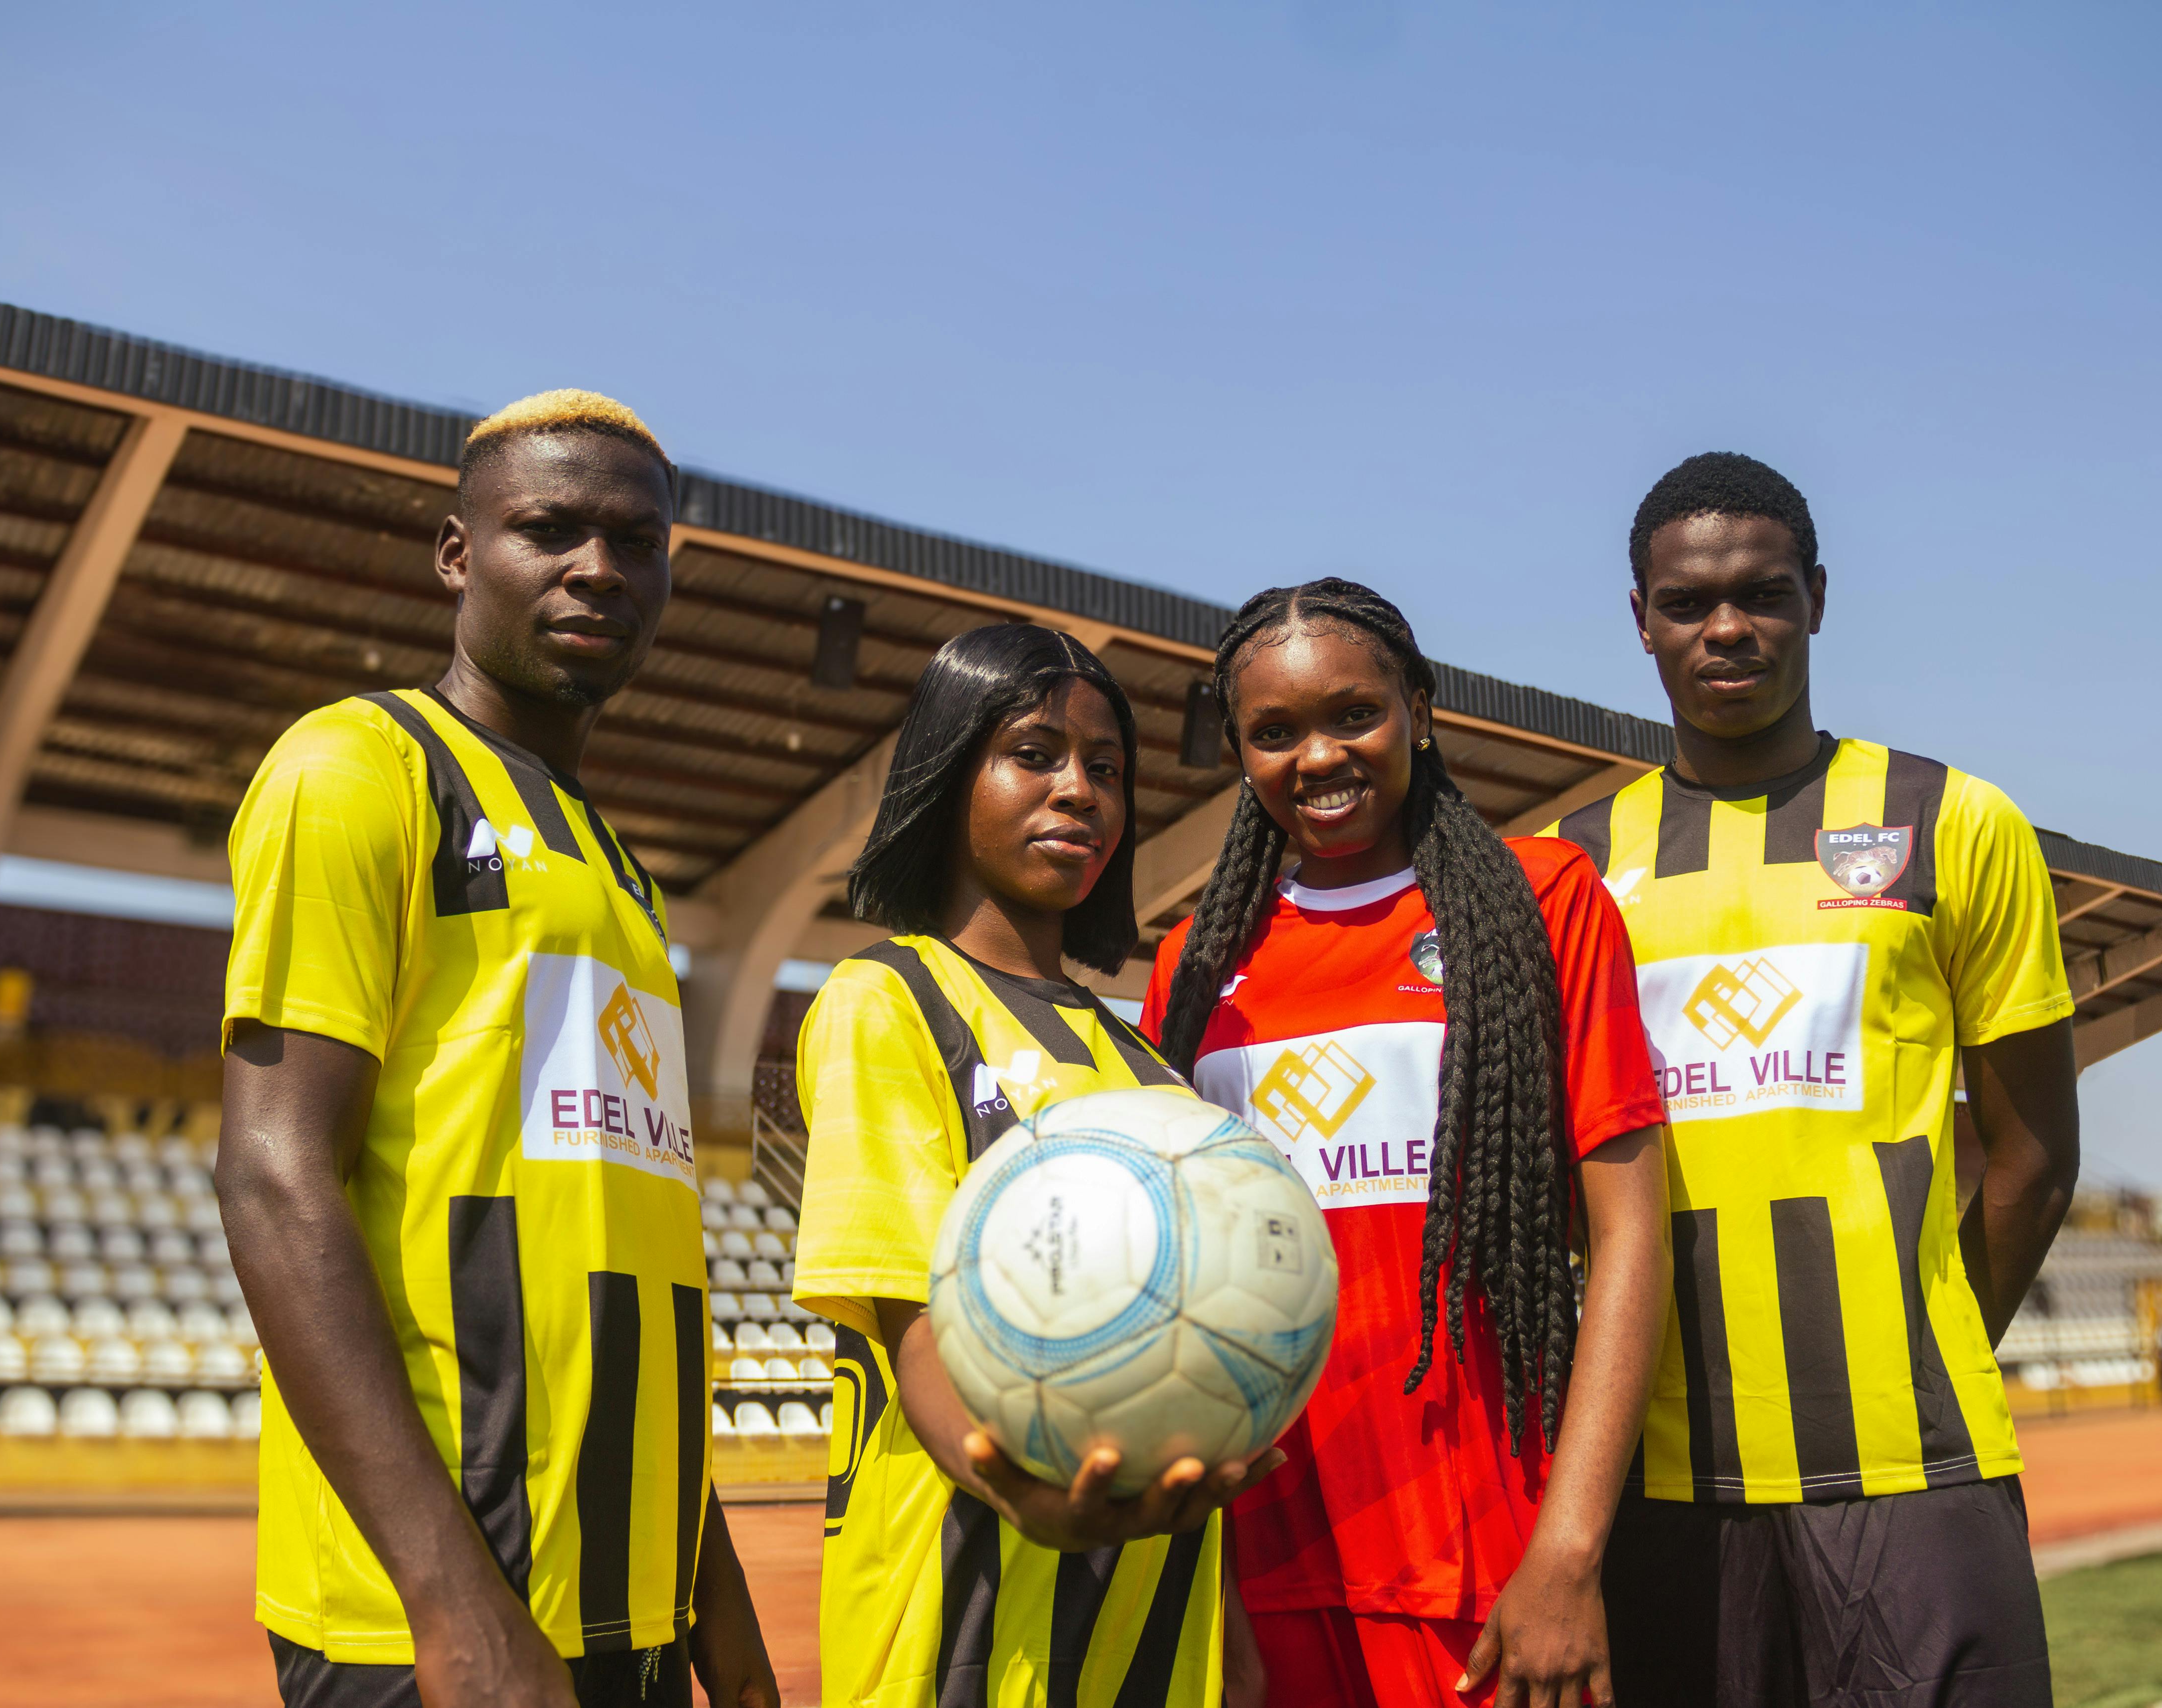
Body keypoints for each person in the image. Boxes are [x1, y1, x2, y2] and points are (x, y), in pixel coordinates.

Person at [215, 391, 777, 1708]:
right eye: (549, 528)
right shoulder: (361, 765)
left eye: (636, 541)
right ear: (457, 553)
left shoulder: (620, 870)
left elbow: (623, 1271)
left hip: (626, 1606)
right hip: (442, 1624)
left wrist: (717, 1617)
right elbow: (272, 1173)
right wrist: (455, 1604)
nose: (598, 567)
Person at [1544, 452, 2082, 1706]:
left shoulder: (1954, 820)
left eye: (1763, 594)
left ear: (1818, 599)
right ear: (1641, 622)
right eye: (1687, 603)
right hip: (1664, 1475)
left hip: (1915, 1463)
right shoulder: (1575, 869)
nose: (1726, 627)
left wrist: (1922, 1358)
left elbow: (2034, 1156)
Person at [1141, 579, 1673, 1708]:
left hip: (1489, 1567)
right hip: (1266, 1572)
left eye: (1353, 715)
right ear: (1239, 752)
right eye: (1275, 733)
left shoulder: (1545, 899)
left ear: (1418, 710)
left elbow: (1630, 1233)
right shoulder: (1194, 968)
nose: (1319, 757)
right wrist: (1212, 1592)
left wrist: (1569, 1553)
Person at [791, 623, 1278, 1708]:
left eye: (1106, 768)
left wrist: (1233, 1632)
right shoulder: (889, 1000)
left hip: (1158, 1626)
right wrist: (1018, 1488)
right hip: (963, 1616)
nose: (1079, 790)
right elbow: (913, 1319)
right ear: (949, 769)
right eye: (1035, 753)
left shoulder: (1151, 1065)